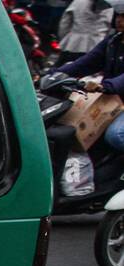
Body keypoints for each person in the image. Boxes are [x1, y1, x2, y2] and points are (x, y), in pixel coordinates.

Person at [60, 1, 124, 152]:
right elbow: (83, 64)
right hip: (111, 102)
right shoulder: (113, 42)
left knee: (116, 136)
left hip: (114, 97)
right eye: (119, 16)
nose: (120, 20)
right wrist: (52, 74)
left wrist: (106, 86)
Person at [58, 0, 114, 66]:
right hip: (98, 44)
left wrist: (64, 39)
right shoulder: (110, 5)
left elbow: (65, 23)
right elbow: (110, 28)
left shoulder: (77, 2)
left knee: (64, 71)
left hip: (73, 44)